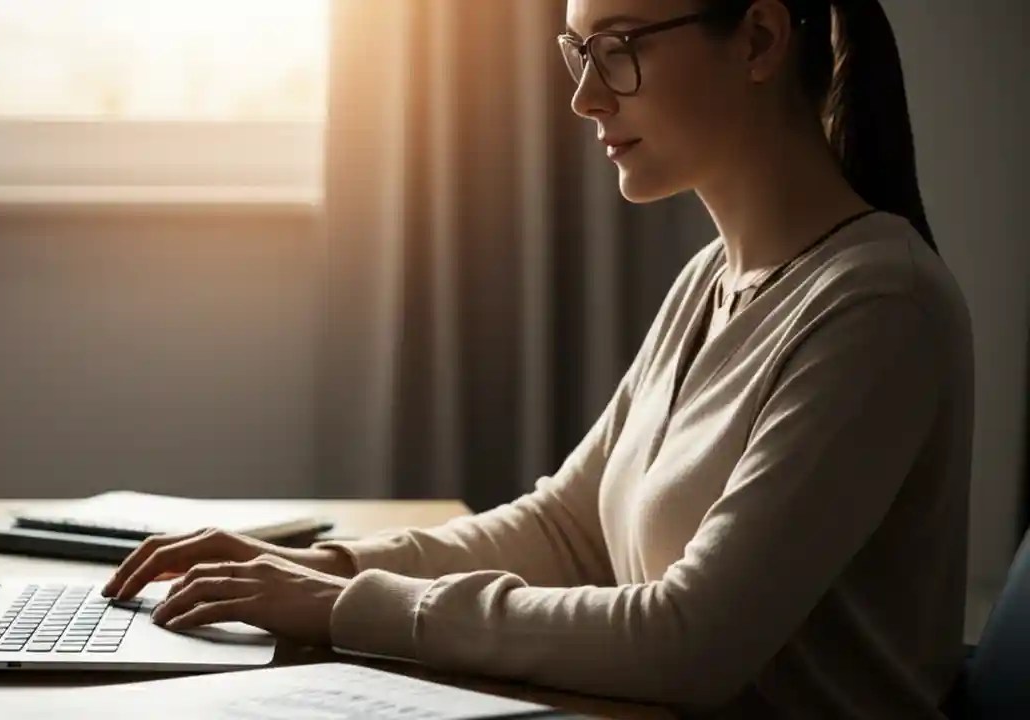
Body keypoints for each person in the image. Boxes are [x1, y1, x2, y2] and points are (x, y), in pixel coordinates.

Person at [101, 0, 974, 715]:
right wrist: (322, 568)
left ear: (758, 40)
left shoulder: (878, 307)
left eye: (620, 50)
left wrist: (341, 608)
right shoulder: (712, 278)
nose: (586, 98)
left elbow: (690, 643)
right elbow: (567, 528)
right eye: (577, 53)